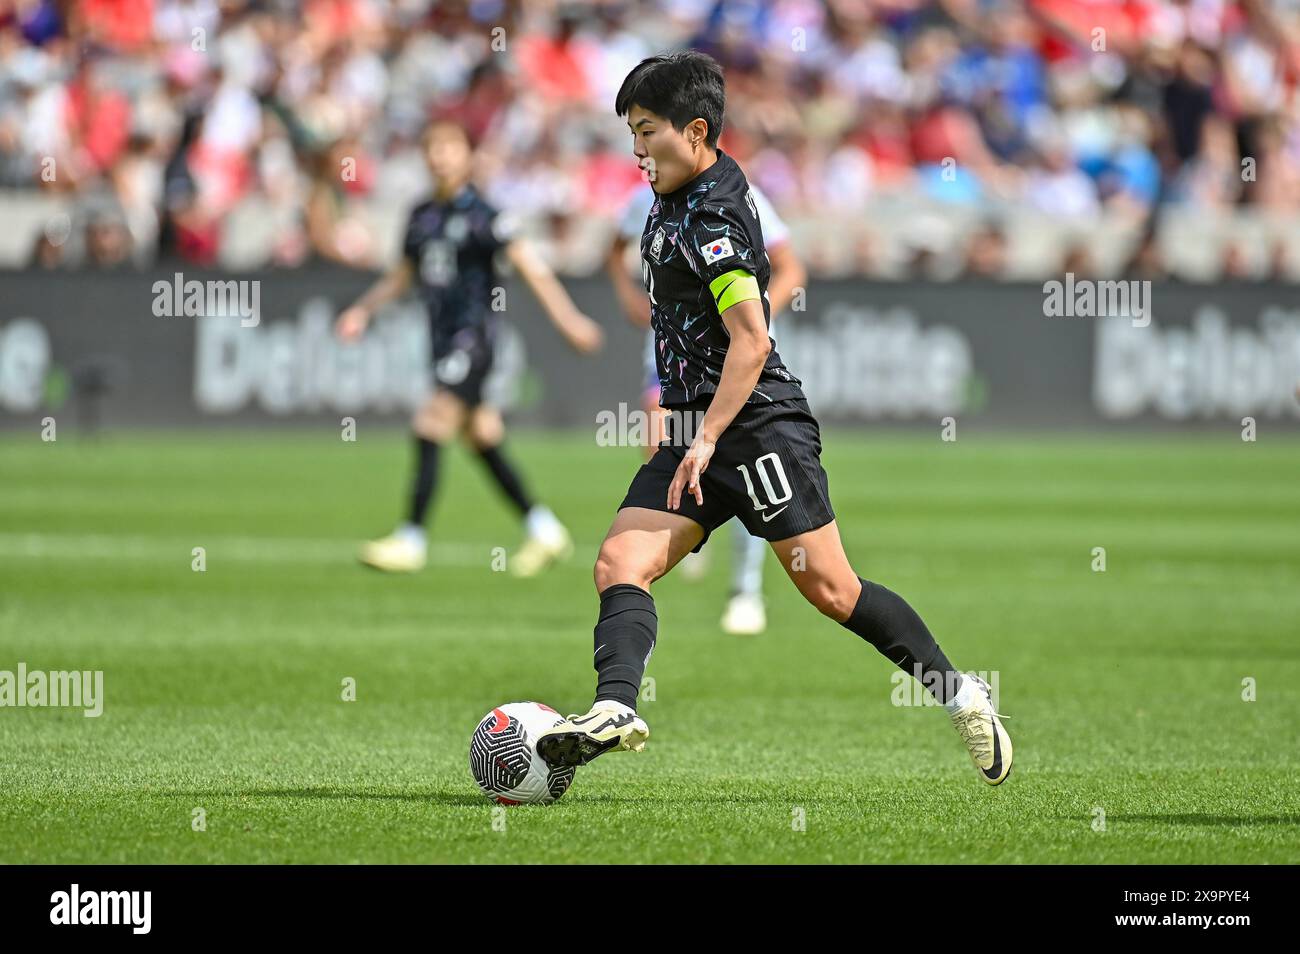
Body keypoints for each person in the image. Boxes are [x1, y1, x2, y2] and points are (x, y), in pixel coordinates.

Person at [537, 52, 1012, 785]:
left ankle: (962, 694)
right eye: (629, 133)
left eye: (646, 132)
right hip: (697, 426)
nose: (635, 151)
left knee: (832, 591)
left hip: (755, 426)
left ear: (695, 132)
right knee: (619, 563)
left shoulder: (717, 216)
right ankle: (615, 708)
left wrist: (708, 440)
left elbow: (753, 341)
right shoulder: (674, 190)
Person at [336, 120, 604, 576]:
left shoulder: (486, 214)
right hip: (440, 340)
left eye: (449, 146)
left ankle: (411, 537)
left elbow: (530, 267)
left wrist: (569, 320)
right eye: (433, 147)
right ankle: (544, 529)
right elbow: (402, 276)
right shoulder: (420, 215)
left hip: (473, 338)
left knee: (431, 421)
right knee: (483, 438)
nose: (440, 156)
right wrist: (362, 310)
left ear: (467, 155)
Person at [606, 178, 805, 633]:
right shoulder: (644, 201)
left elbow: (792, 268)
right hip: (672, 358)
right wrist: (627, 295)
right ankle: (690, 529)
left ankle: (745, 589)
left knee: (743, 468)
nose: (643, 150)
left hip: (733, 360)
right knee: (660, 439)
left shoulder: (741, 196)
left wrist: (751, 315)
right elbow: (613, 250)